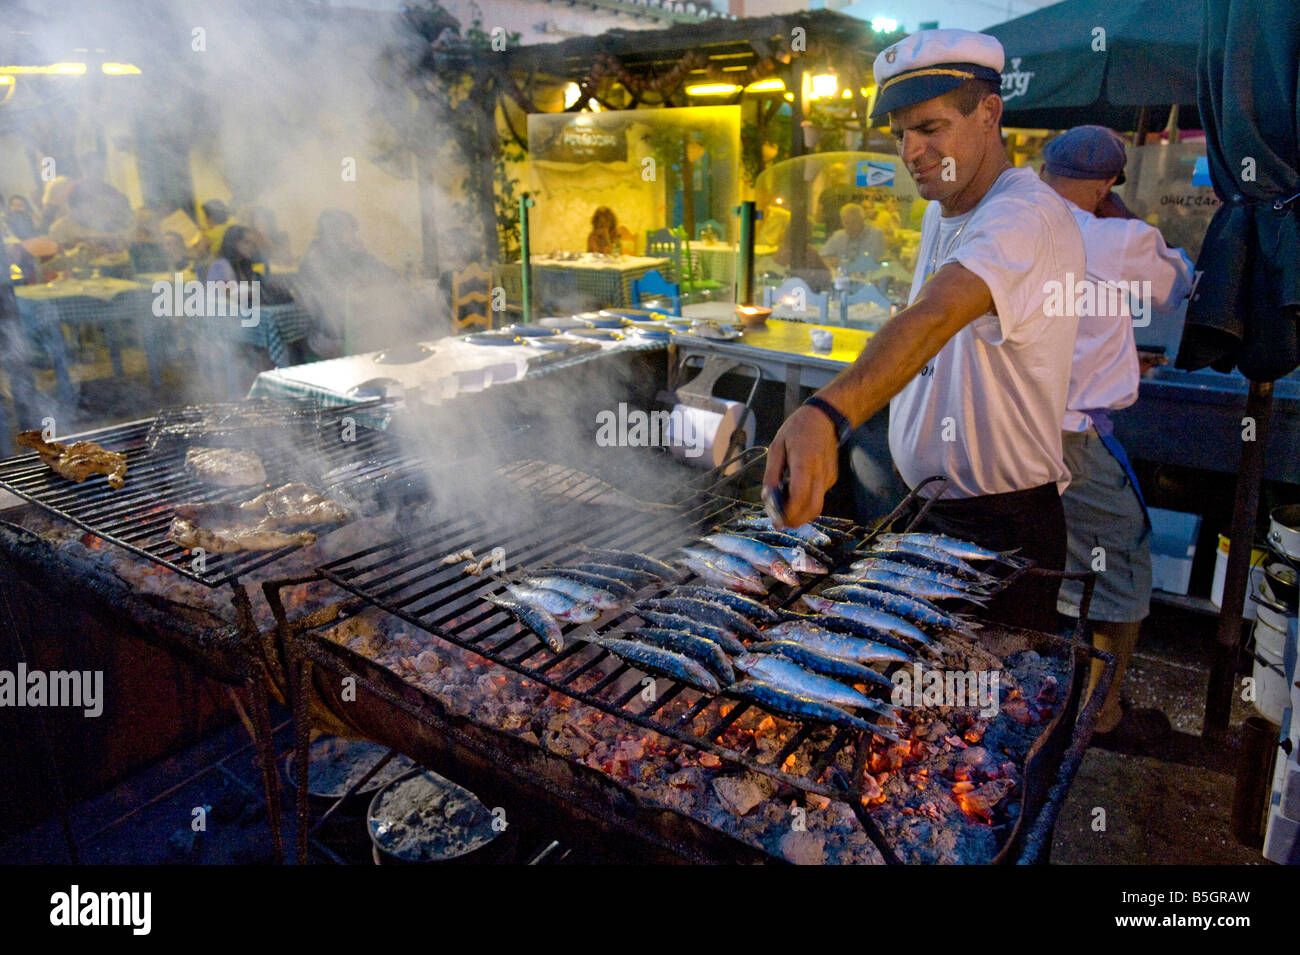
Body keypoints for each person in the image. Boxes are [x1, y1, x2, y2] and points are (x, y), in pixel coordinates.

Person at [765, 28, 1087, 632]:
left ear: (989, 112)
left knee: (975, 713)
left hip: (999, 531)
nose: (910, 151)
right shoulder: (947, 207)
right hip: (930, 513)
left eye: (930, 128)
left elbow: (935, 314)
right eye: (900, 134)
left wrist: (828, 412)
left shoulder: (1023, 214)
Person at [1040, 126, 1194, 740]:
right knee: (1119, 565)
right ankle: (1096, 712)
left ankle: (1055, 693)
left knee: (1054, 560)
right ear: (1106, 184)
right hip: (1072, 434)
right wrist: (1118, 213)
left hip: (1008, 430)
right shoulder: (1120, 237)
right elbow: (1180, 284)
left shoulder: (1014, 222)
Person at [297, 209, 396, 358]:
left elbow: (388, 275)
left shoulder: (347, 254)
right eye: (349, 232)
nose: (354, 236)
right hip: (328, 338)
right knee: (383, 339)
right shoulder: (315, 260)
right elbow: (337, 301)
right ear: (334, 233)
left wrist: (365, 255)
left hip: (353, 327)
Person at [820, 203, 886, 271]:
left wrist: (841, 263)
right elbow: (822, 257)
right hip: (842, 278)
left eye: (854, 222)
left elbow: (871, 262)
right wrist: (830, 261)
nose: (850, 227)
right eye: (846, 223)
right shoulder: (838, 236)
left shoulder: (875, 235)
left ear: (862, 220)